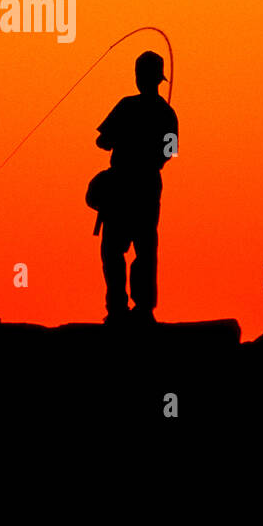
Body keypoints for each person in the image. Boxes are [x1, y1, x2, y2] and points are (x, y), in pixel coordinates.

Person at [95, 51, 178, 324]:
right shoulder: (167, 113)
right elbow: (170, 153)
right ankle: (143, 309)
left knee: (112, 249)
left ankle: (116, 309)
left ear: (138, 77)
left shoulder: (125, 106)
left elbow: (102, 142)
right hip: (148, 186)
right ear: (159, 79)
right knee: (145, 247)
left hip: (121, 185)